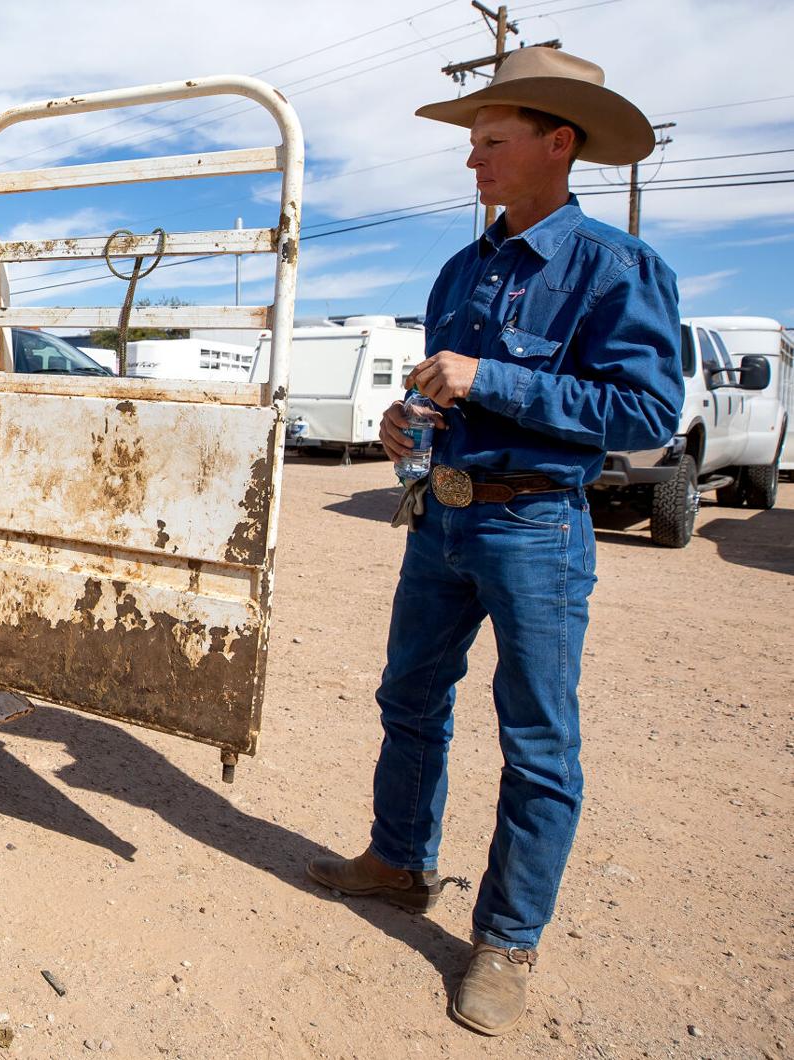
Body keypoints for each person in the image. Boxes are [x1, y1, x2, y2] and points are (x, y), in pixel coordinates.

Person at [304, 48, 683, 1035]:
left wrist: (488, 382)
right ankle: (396, 863)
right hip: (442, 512)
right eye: (470, 144)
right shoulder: (459, 270)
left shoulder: (615, 266)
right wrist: (400, 423)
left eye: (489, 142)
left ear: (557, 145)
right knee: (408, 697)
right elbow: (438, 384)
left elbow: (644, 410)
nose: (470, 161)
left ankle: (504, 943)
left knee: (537, 742)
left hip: (533, 526)